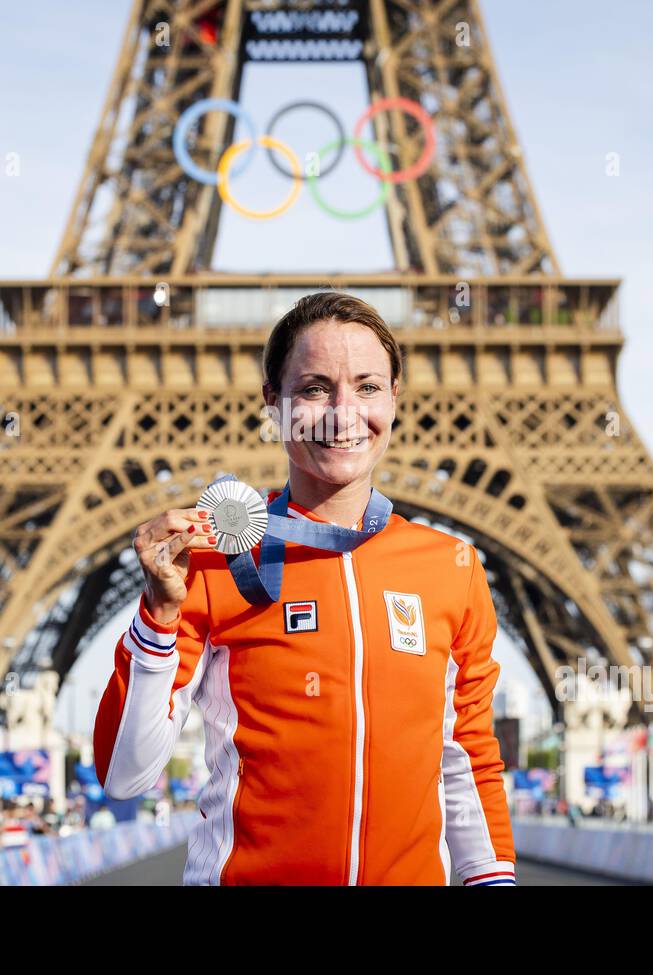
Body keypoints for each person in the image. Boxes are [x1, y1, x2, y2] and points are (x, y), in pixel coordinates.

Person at [93, 292, 517, 886]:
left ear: (395, 398)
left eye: (367, 387)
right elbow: (125, 777)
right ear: (275, 402)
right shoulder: (216, 564)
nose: (344, 413)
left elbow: (465, 757)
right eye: (316, 388)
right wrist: (160, 616)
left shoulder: (451, 567)